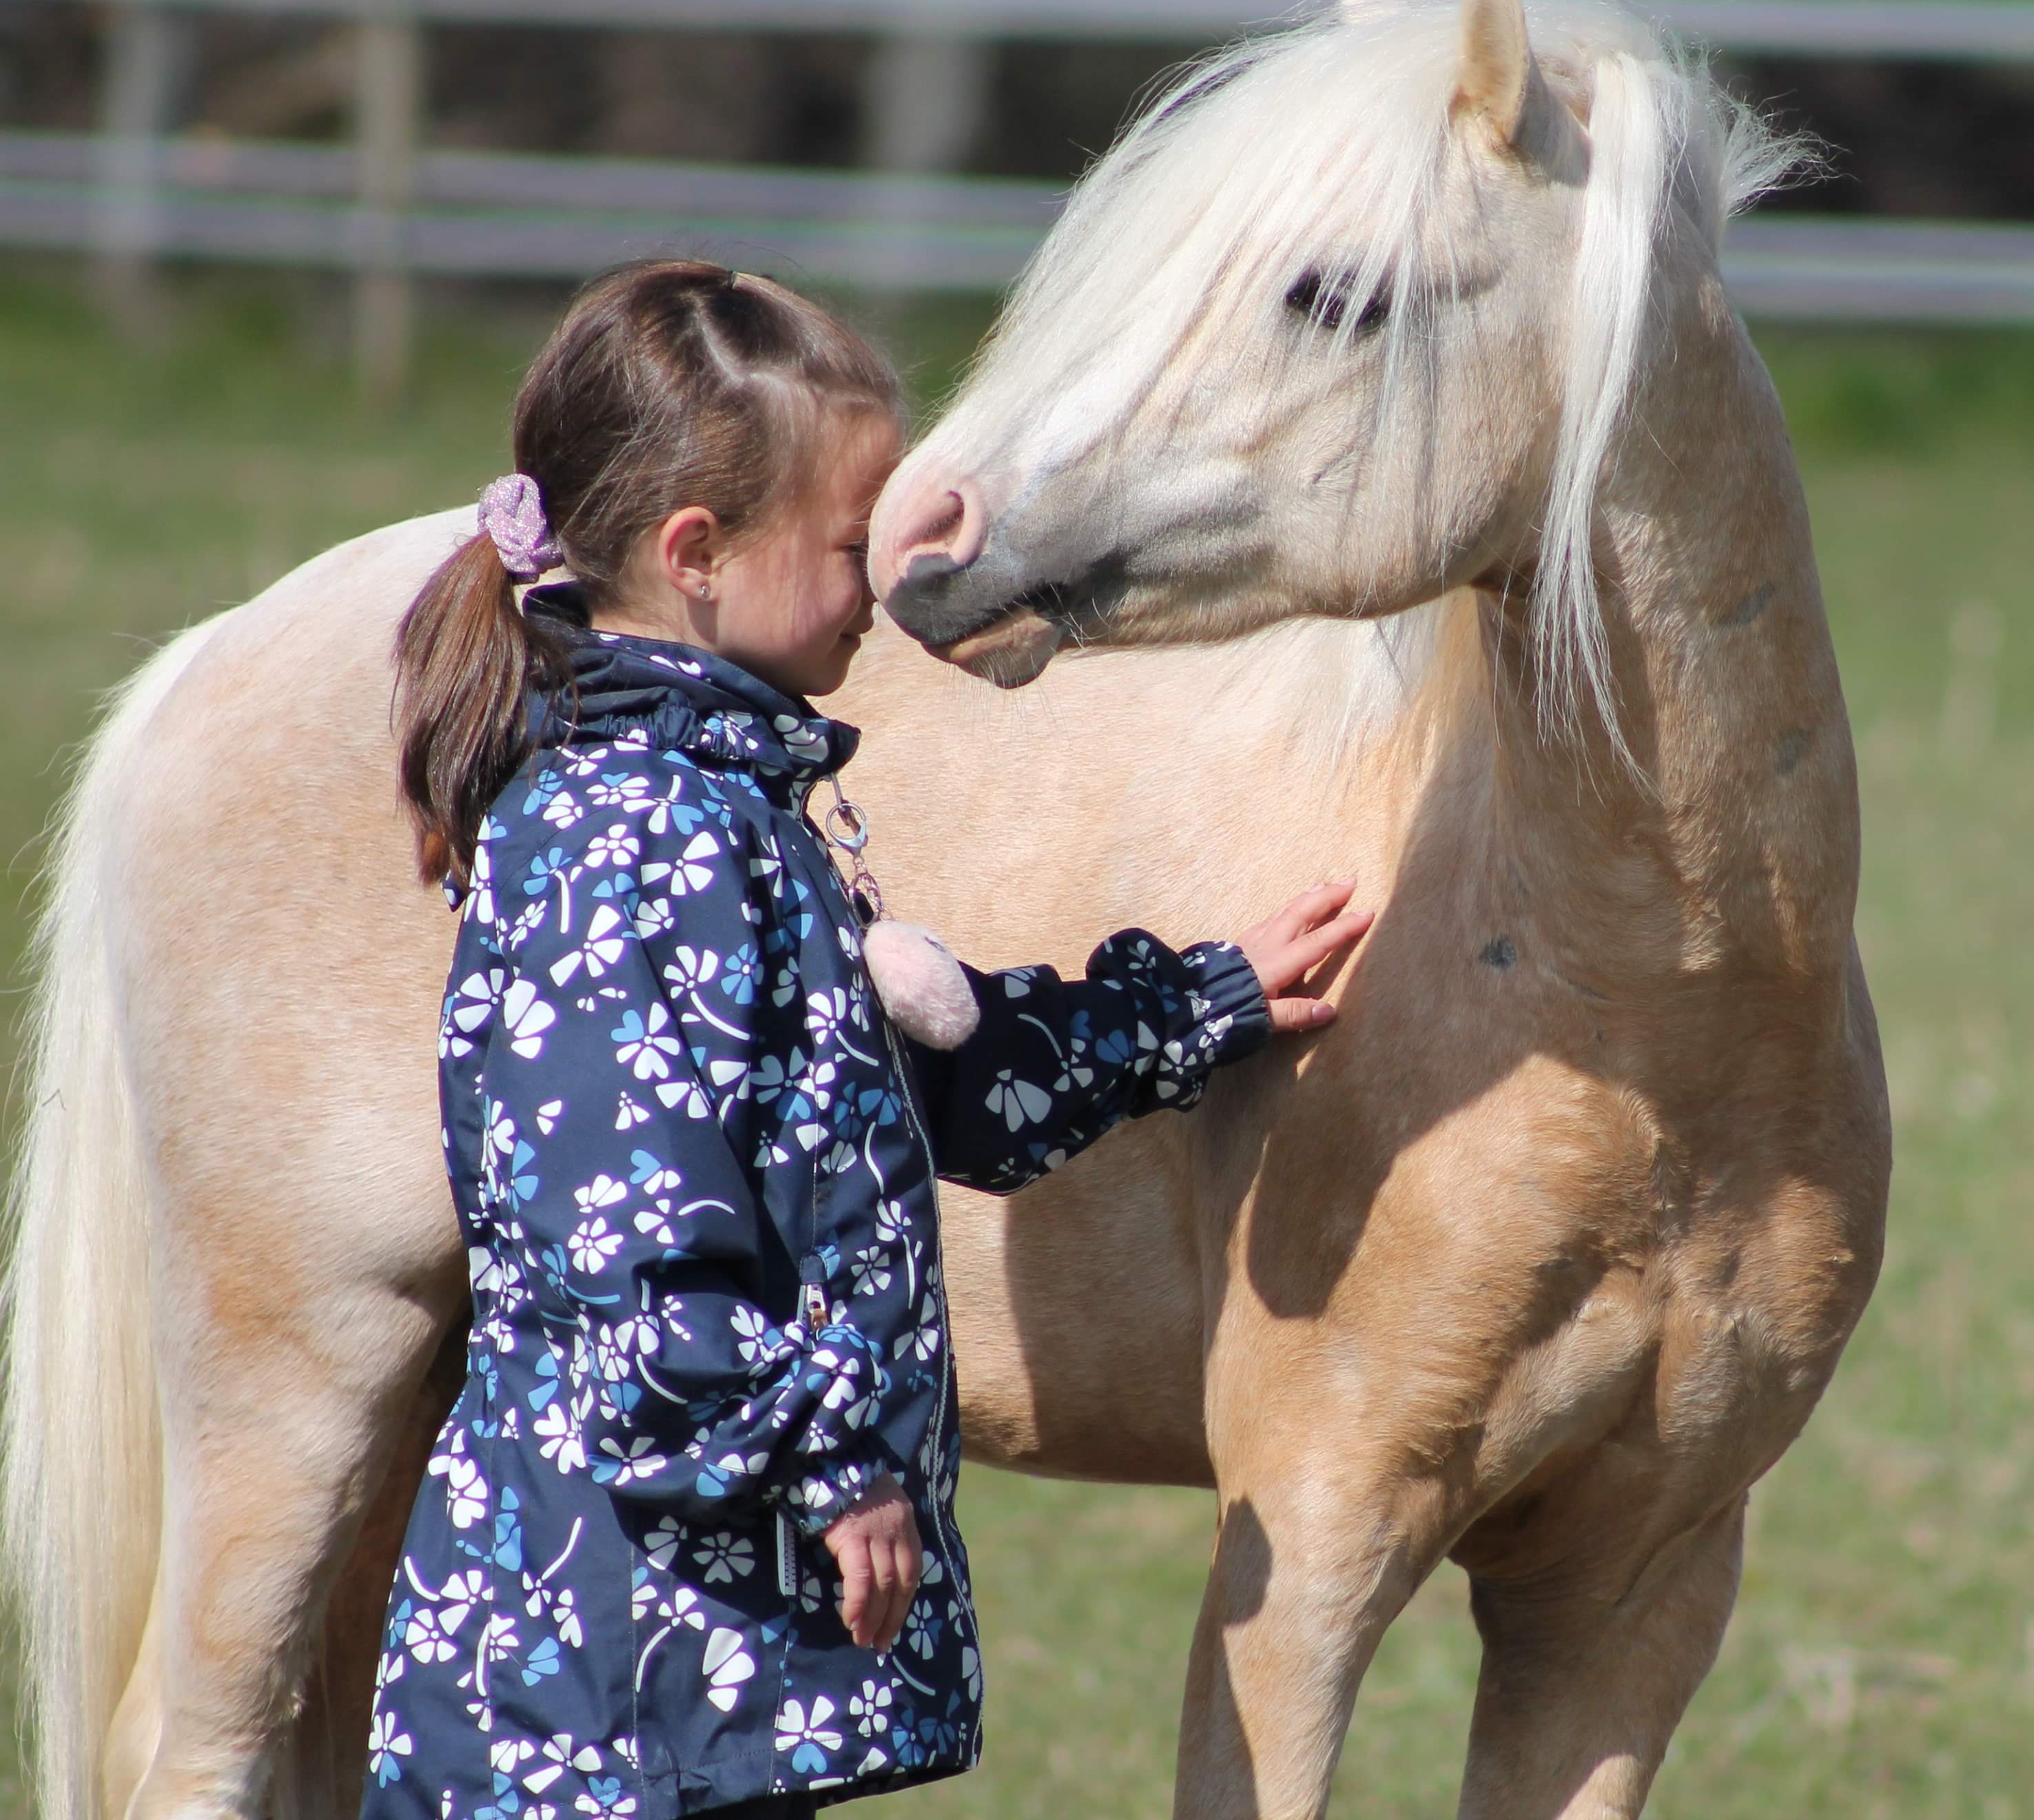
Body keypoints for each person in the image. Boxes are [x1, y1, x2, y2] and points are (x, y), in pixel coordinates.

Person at [365, 259, 1368, 1820]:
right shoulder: (630, 840)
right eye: (848, 547)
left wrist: (1202, 1002)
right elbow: (634, 1259)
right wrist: (838, 1467)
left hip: (683, 1634)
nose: (879, 590)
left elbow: (927, 1086)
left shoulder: (728, 812)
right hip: (609, 1654)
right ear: (697, 557)